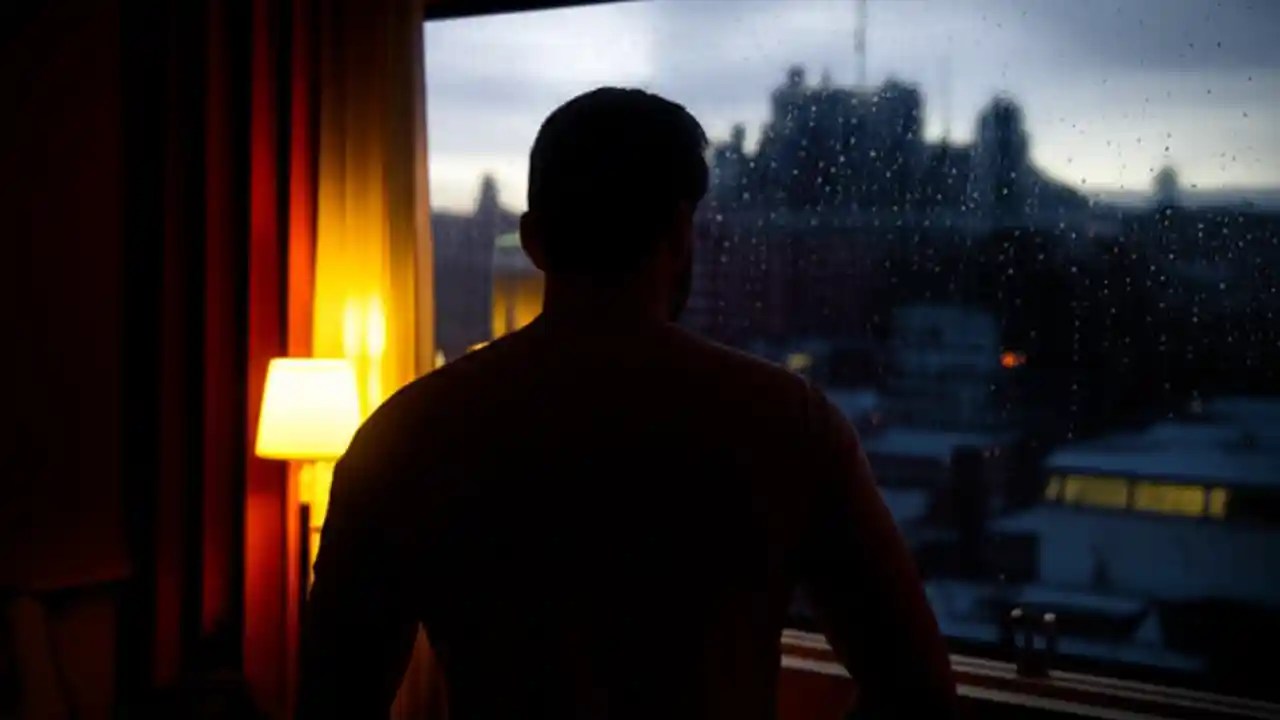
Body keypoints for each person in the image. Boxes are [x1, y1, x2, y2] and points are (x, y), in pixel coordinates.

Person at [298, 87, 957, 719]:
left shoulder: (407, 434)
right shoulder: (789, 422)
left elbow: (333, 701)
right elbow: (918, 690)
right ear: (681, 233)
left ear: (533, 241)